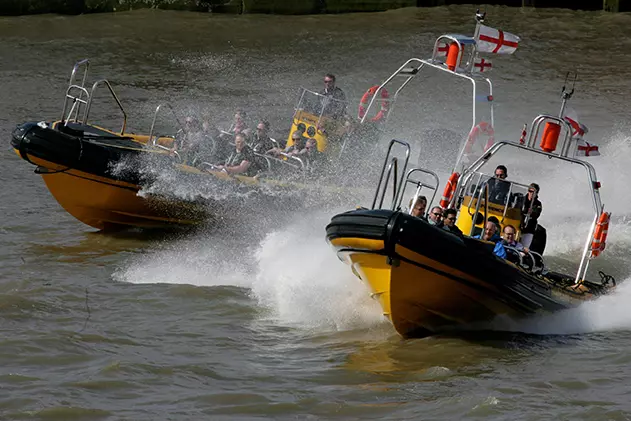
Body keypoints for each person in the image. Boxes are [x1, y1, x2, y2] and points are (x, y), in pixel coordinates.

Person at [521, 183, 542, 249]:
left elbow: (536, 214)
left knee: (525, 247)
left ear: (537, 193)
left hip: (528, 229)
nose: (532, 193)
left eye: (534, 192)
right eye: (530, 191)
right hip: (517, 224)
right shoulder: (521, 199)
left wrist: (531, 212)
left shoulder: (538, 204)